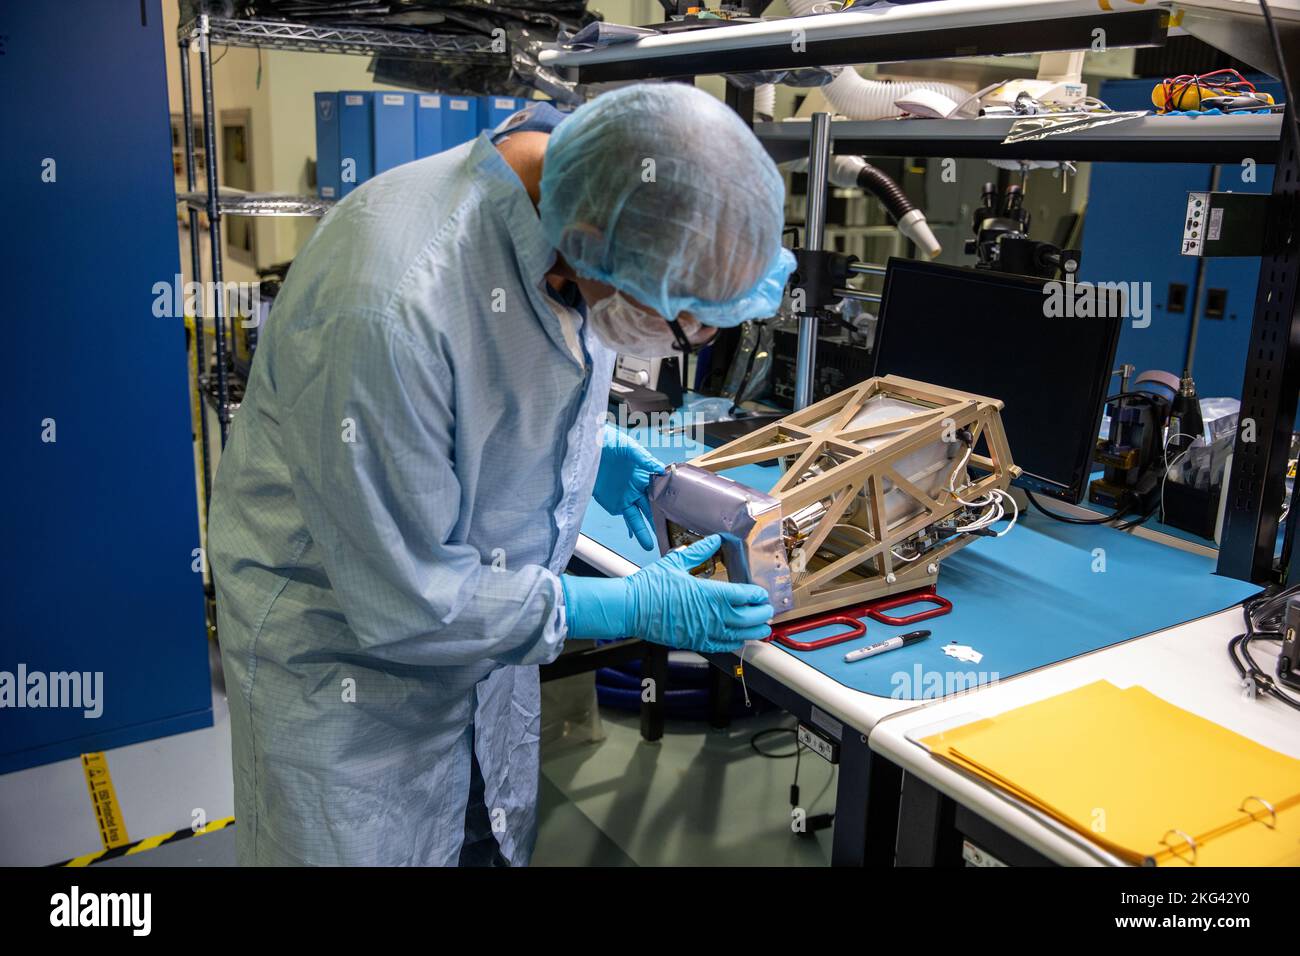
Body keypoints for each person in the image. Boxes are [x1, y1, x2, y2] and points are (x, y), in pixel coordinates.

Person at [208, 82, 796, 866]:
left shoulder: (580, 214)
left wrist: (589, 455)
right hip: (351, 678)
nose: (678, 336)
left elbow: (513, 381)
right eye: (676, 317)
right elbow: (407, 599)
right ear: (590, 238)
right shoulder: (392, 305)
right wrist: (631, 606)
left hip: (481, 656)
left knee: (485, 836)